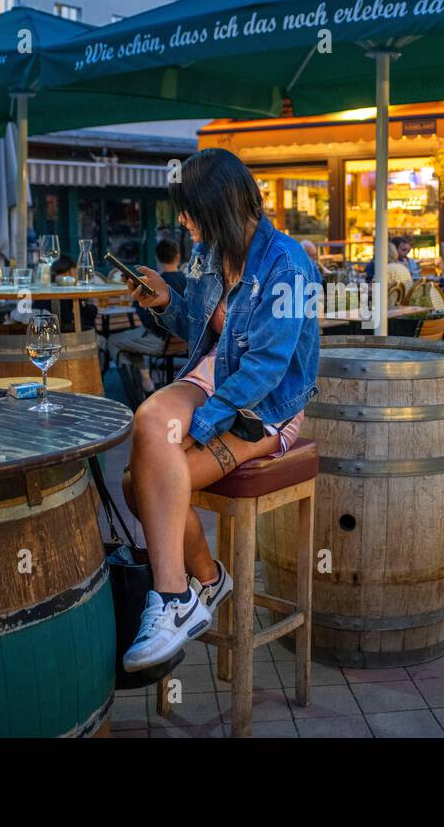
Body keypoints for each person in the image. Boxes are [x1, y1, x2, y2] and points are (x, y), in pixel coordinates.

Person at [118, 148, 320, 672]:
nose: (182, 221)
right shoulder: (210, 255)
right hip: (216, 379)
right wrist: (165, 302)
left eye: (189, 210)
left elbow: (267, 370)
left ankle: (183, 593)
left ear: (219, 206)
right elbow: (202, 329)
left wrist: (199, 429)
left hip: (264, 405)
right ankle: (194, 589)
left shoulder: (288, 265)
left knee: (142, 479)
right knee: (149, 424)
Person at [105, 238, 187, 390]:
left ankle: (136, 392)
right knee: (130, 342)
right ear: (178, 257)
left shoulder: (157, 283)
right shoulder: (187, 279)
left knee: (114, 341)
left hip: (161, 342)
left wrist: (138, 303)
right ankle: (146, 381)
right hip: (183, 343)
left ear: (156, 258)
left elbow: (149, 323)